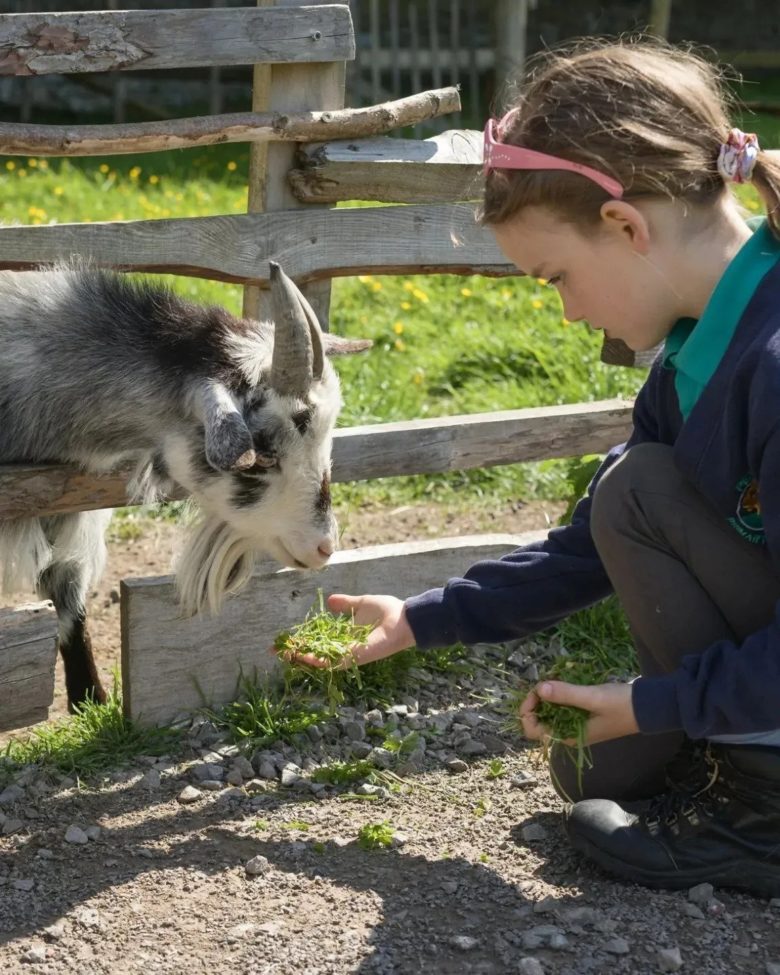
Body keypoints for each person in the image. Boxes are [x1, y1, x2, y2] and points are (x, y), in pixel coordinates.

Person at [307, 37, 780, 898]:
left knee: (635, 488)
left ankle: (761, 816)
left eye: (555, 277)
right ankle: (728, 762)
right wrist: (420, 618)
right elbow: (589, 546)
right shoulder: (692, 354)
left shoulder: (777, 363)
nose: (565, 311)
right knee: (589, 776)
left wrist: (644, 704)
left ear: (625, 226)